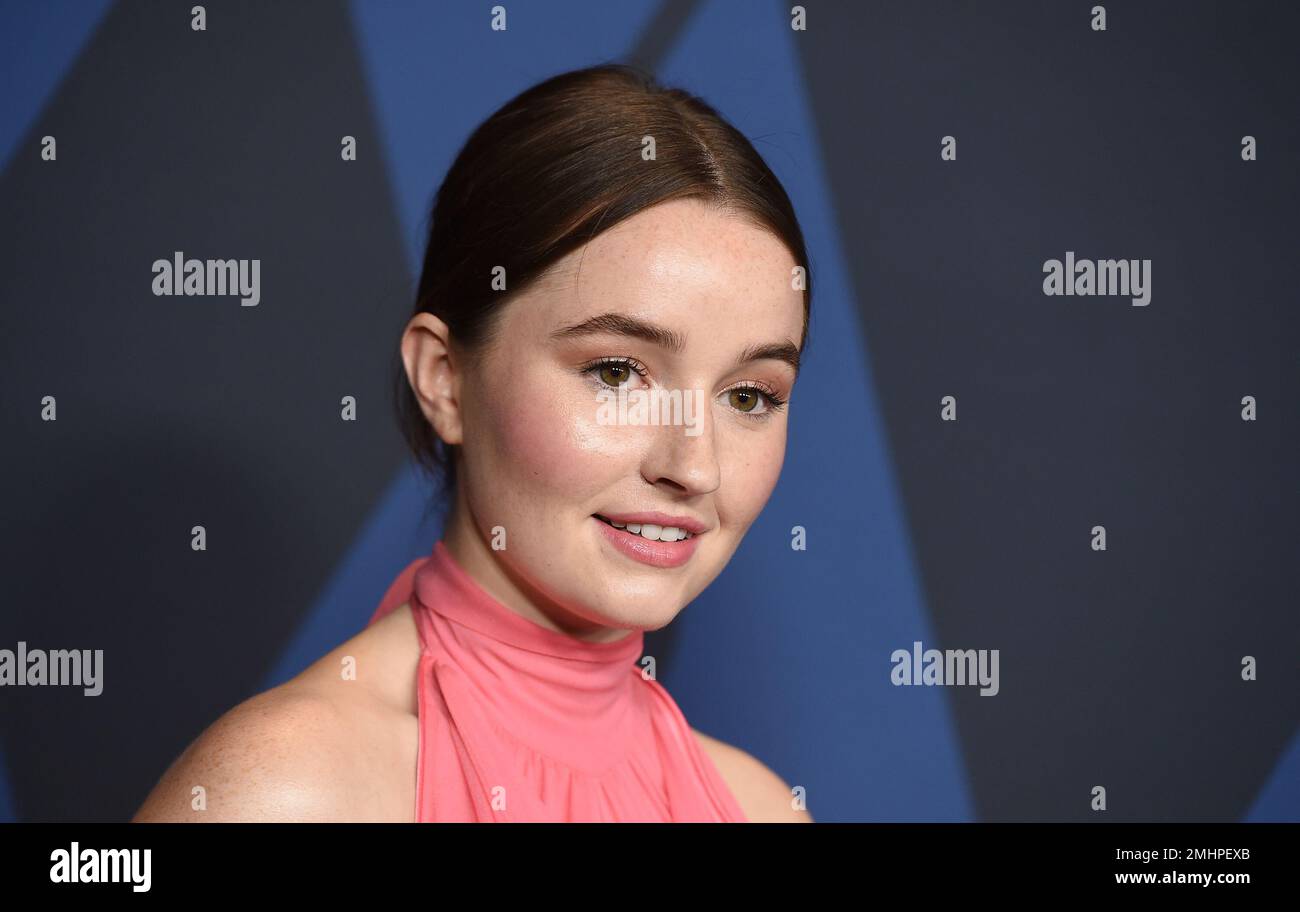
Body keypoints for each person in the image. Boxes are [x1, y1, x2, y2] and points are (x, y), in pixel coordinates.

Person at [133, 63, 813, 823]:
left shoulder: (764, 810)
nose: (695, 466)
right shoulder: (282, 792)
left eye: (748, 395)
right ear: (445, 379)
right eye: (617, 371)